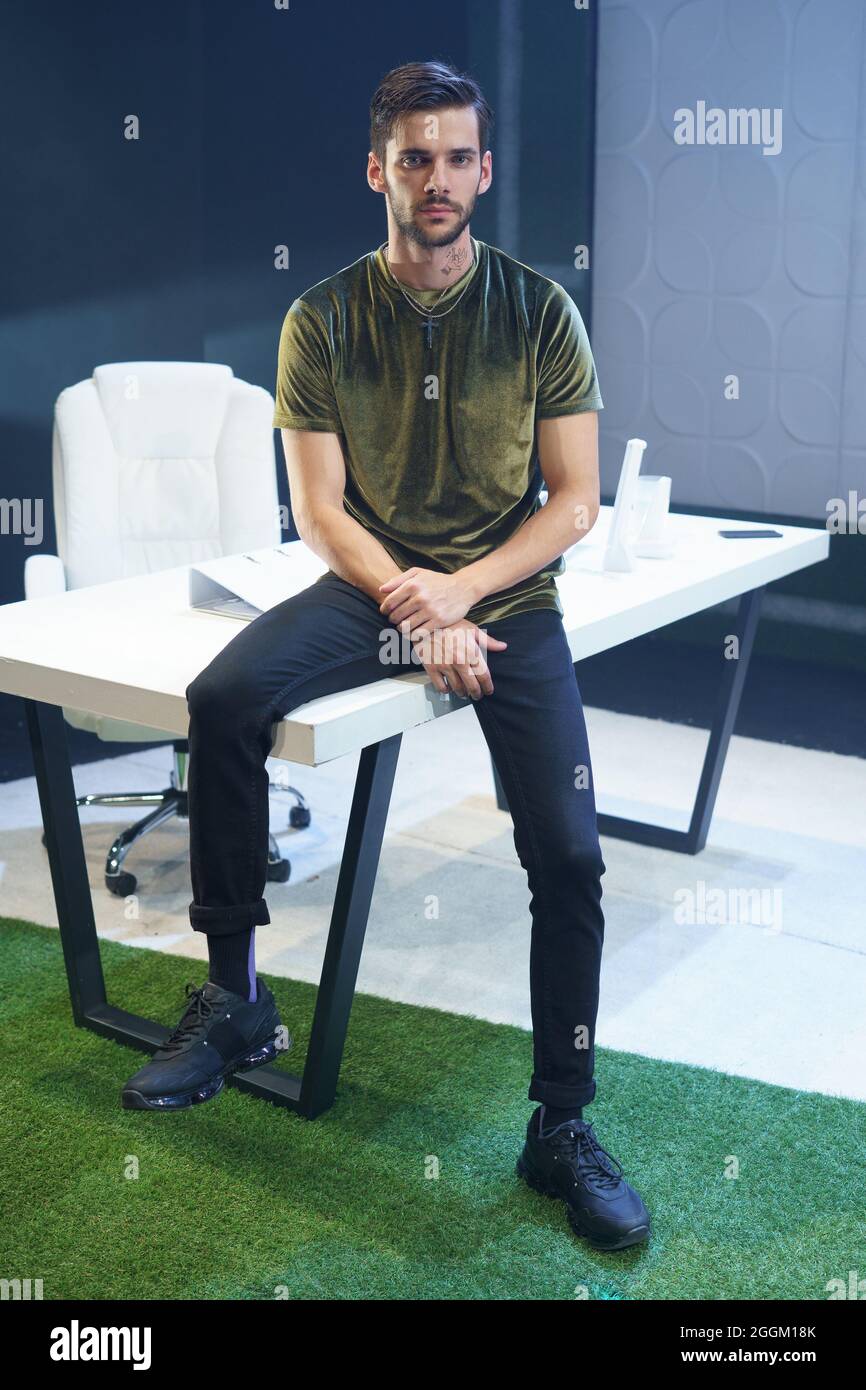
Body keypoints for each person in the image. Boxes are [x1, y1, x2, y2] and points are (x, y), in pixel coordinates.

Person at [121, 58, 650, 1252]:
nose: (438, 179)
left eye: (459, 156)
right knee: (224, 694)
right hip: (369, 583)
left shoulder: (537, 311)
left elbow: (572, 503)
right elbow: (319, 511)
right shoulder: (318, 316)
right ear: (378, 170)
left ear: (485, 169)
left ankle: (558, 1124)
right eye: (415, 157)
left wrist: (460, 595)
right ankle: (237, 998)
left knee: (567, 854)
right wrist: (415, 609)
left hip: (507, 595)